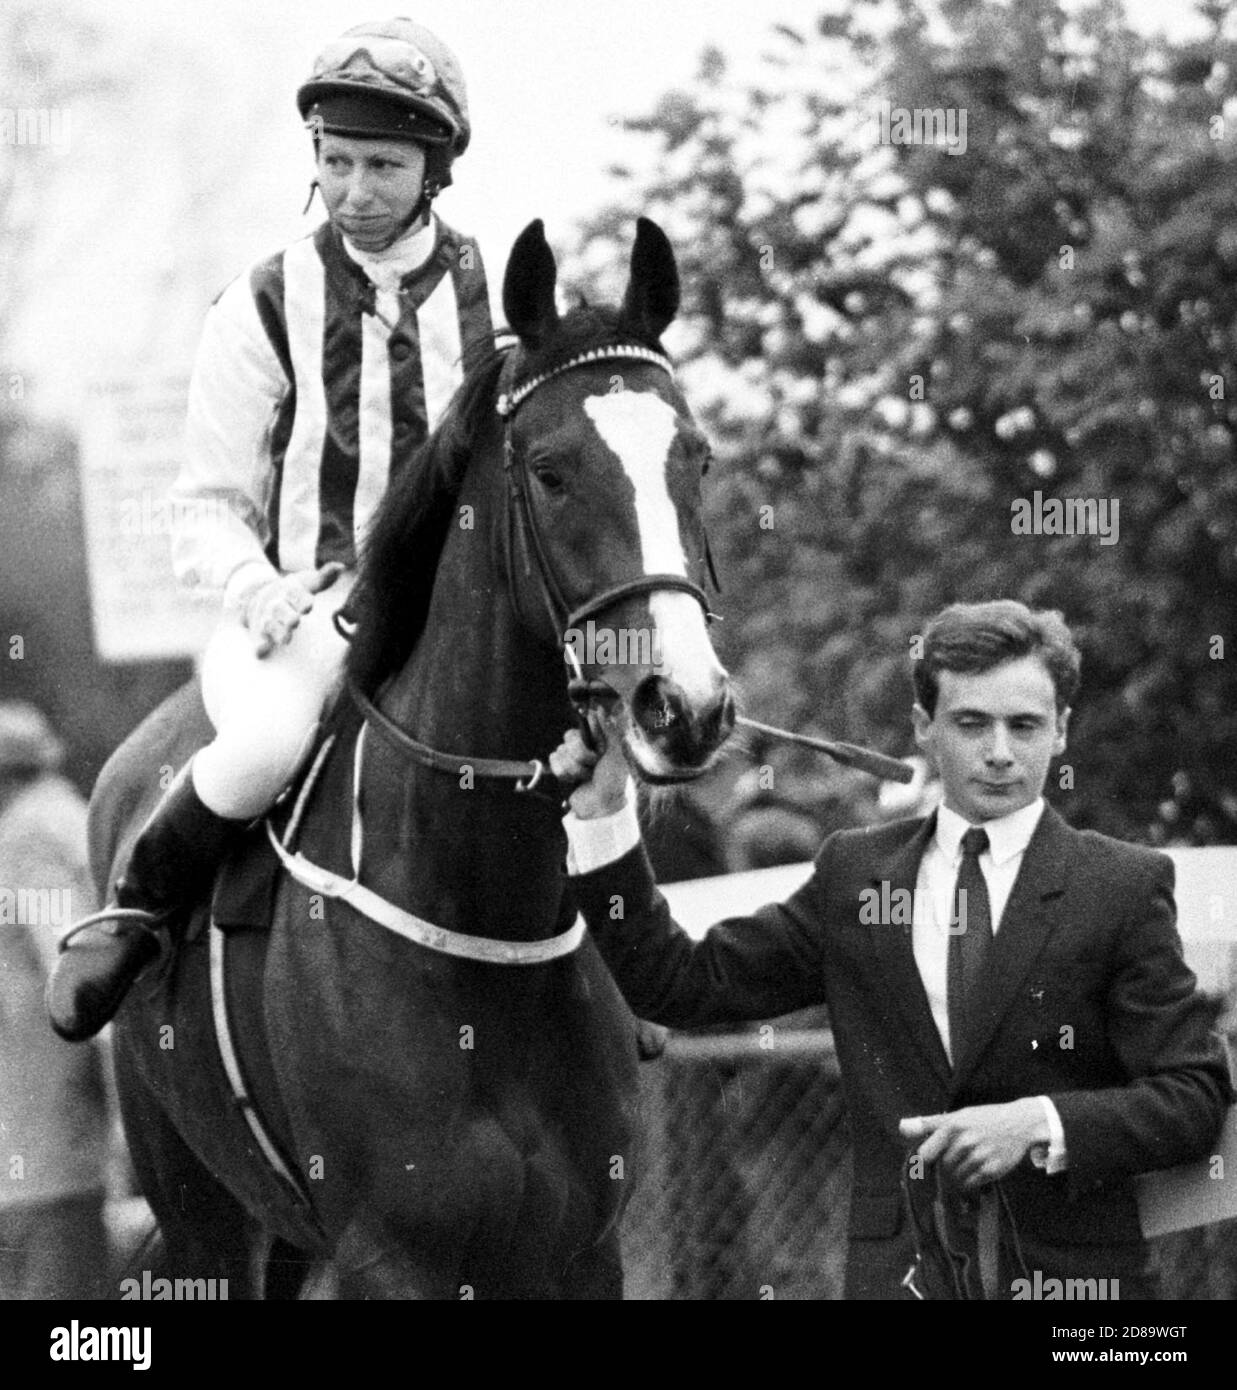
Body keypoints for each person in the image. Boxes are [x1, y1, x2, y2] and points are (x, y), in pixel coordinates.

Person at [550, 600, 1233, 1299]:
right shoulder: (856, 875)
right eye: (970, 723)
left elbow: (1192, 1094)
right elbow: (677, 984)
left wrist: (1038, 1124)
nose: (999, 752)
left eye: (1023, 725)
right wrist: (604, 814)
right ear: (923, 730)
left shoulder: (1120, 884)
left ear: (1059, 731)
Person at [48, 17, 494, 1043]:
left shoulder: (488, 303)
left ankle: (617, 964)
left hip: (451, 614)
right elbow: (204, 503)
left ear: (436, 170)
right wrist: (260, 590)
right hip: (300, 617)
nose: (354, 189)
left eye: (383, 165)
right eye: (335, 162)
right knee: (262, 746)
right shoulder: (260, 302)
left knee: (580, 746)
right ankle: (136, 915)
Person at [0, 703, 111, 1298]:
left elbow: (79, 982)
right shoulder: (67, 816)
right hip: (47, 1152)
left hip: (38, 1157)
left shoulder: (27, 835)